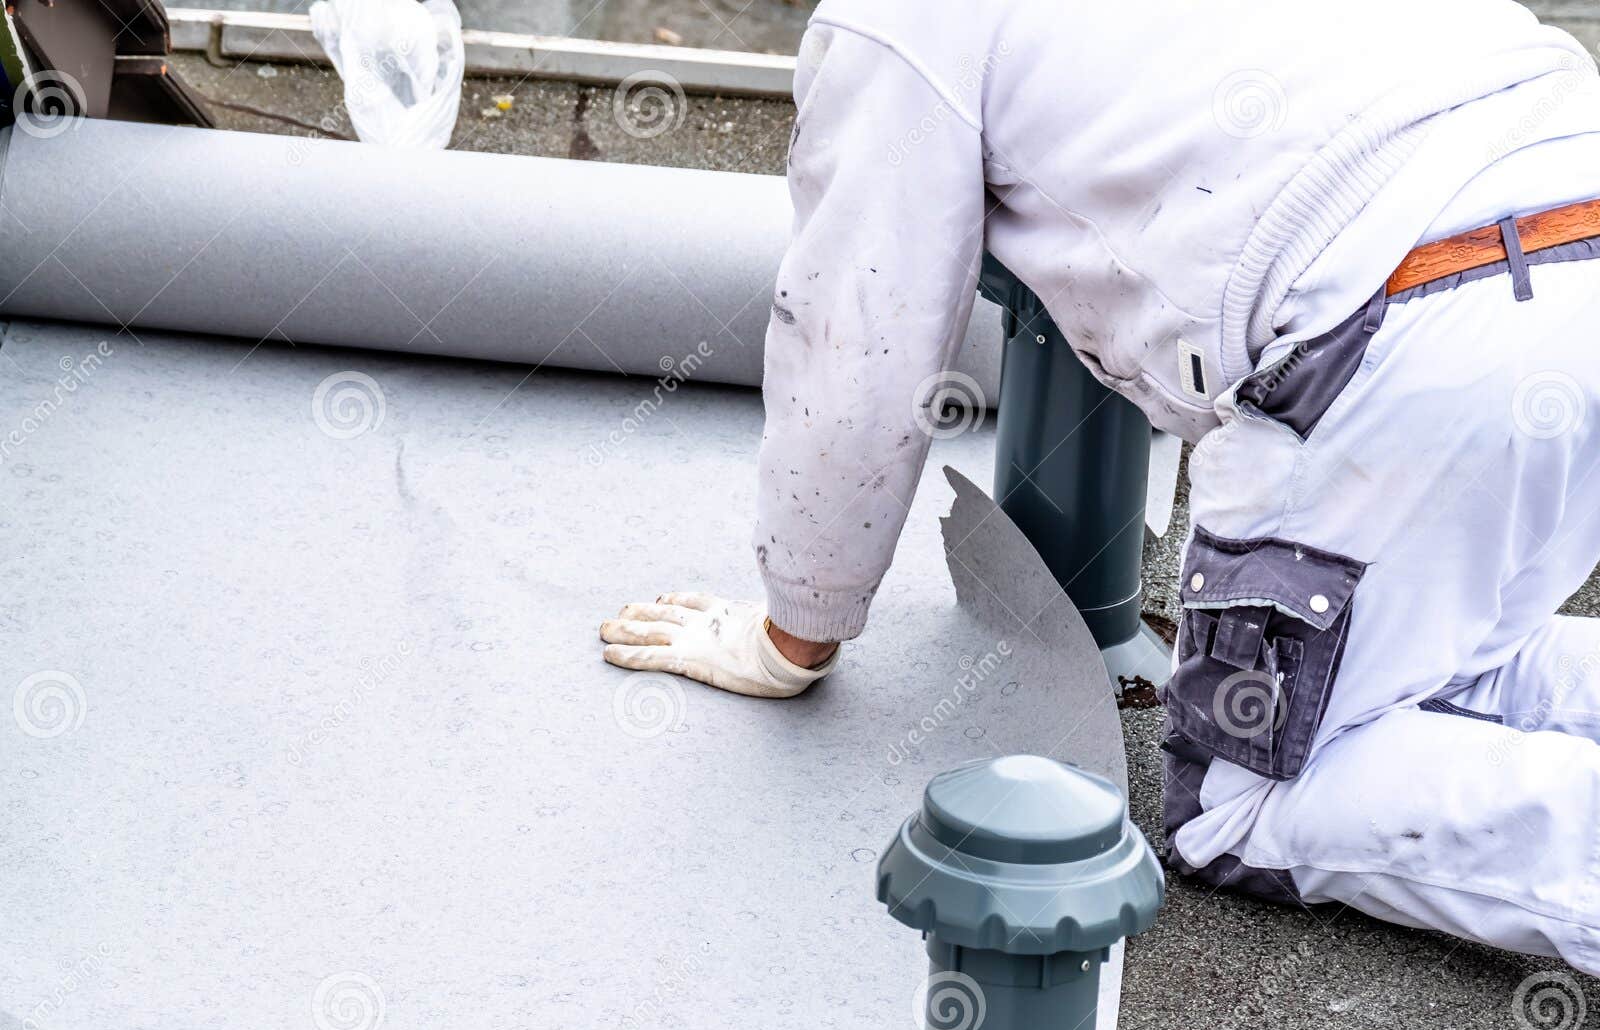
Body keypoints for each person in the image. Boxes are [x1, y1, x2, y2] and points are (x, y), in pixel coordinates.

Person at [600, 0, 1600, 976]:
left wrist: (793, 631)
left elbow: (855, 344)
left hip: (1416, 325)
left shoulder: (900, 24)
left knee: (1235, 806)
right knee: (1453, 655)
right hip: (1566, 204)